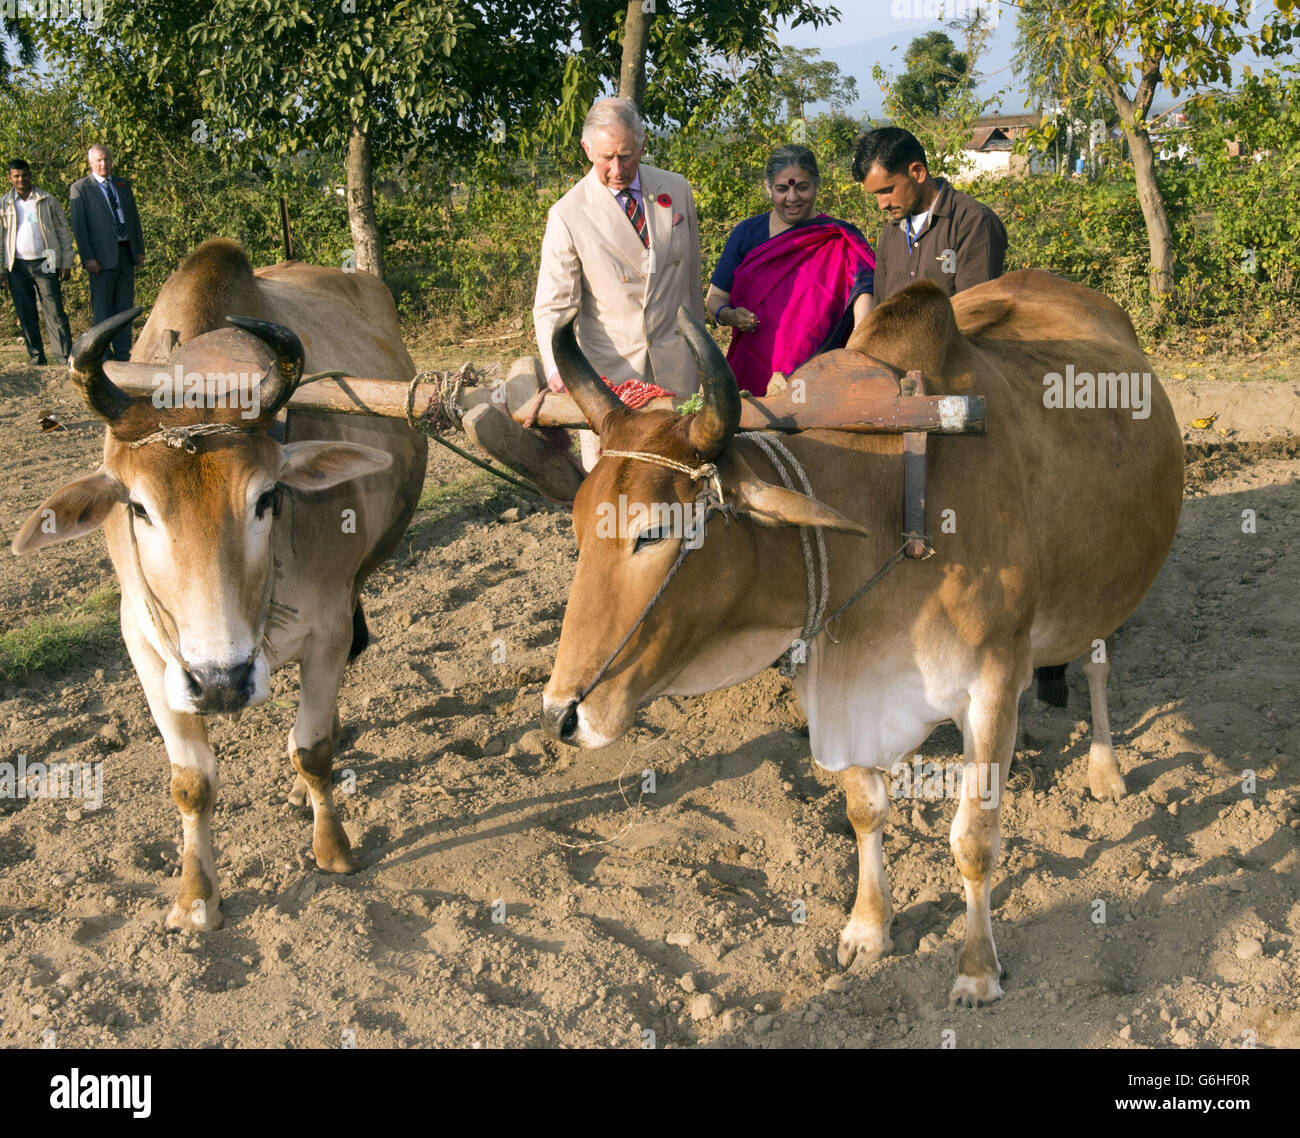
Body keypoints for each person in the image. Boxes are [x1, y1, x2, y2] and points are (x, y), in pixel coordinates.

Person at [533, 97, 706, 467]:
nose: (617, 168)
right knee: (618, 488)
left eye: (626, 156)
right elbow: (553, 305)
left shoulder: (676, 190)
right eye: (606, 157)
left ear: (643, 145)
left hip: (677, 369)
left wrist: (700, 352)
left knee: (683, 479)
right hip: (611, 378)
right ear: (587, 148)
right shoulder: (567, 213)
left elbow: (691, 279)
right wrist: (557, 368)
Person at [705, 145, 875, 396]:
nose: (792, 198)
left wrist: (855, 364)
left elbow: (865, 314)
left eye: (802, 187)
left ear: (816, 186)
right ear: (769, 188)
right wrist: (729, 315)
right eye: (782, 189)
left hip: (822, 376)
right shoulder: (747, 233)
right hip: (753, 373)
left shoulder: (840, 238)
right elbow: (714, 299)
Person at [851, 126, 1006, 303]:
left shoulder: (973, 222)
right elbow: (880, 311)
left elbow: (974, 314)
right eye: (876, 195)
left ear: (918, 172)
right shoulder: (890, 234)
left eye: (887, 190)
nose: (882, 204)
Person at [69, 143, 144, 361]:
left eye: (107, 159)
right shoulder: (81, 188)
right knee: (102, 309)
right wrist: (88, 258)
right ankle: (102, 353)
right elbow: (79, 228)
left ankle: (122, 353)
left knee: (124, 307)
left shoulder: (122, 184)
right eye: (99, 160)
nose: (104, 164)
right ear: (90, 162)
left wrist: (139, 249)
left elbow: (134, 219)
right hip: (100, 259)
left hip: (126, 253)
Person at [1, 159, 74, 366]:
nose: (21, 179)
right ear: (10, 178)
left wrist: (66, 261)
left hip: (46, 261)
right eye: (16, 176)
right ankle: (36, 358)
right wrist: (1, 269)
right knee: (26, 314)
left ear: (30, 175)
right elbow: (0, 238)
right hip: (17, 265)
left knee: (55, 312)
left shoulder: (46, 199)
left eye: (24, 175)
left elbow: (63, 231)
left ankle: (63, 359)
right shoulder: (4, 203)